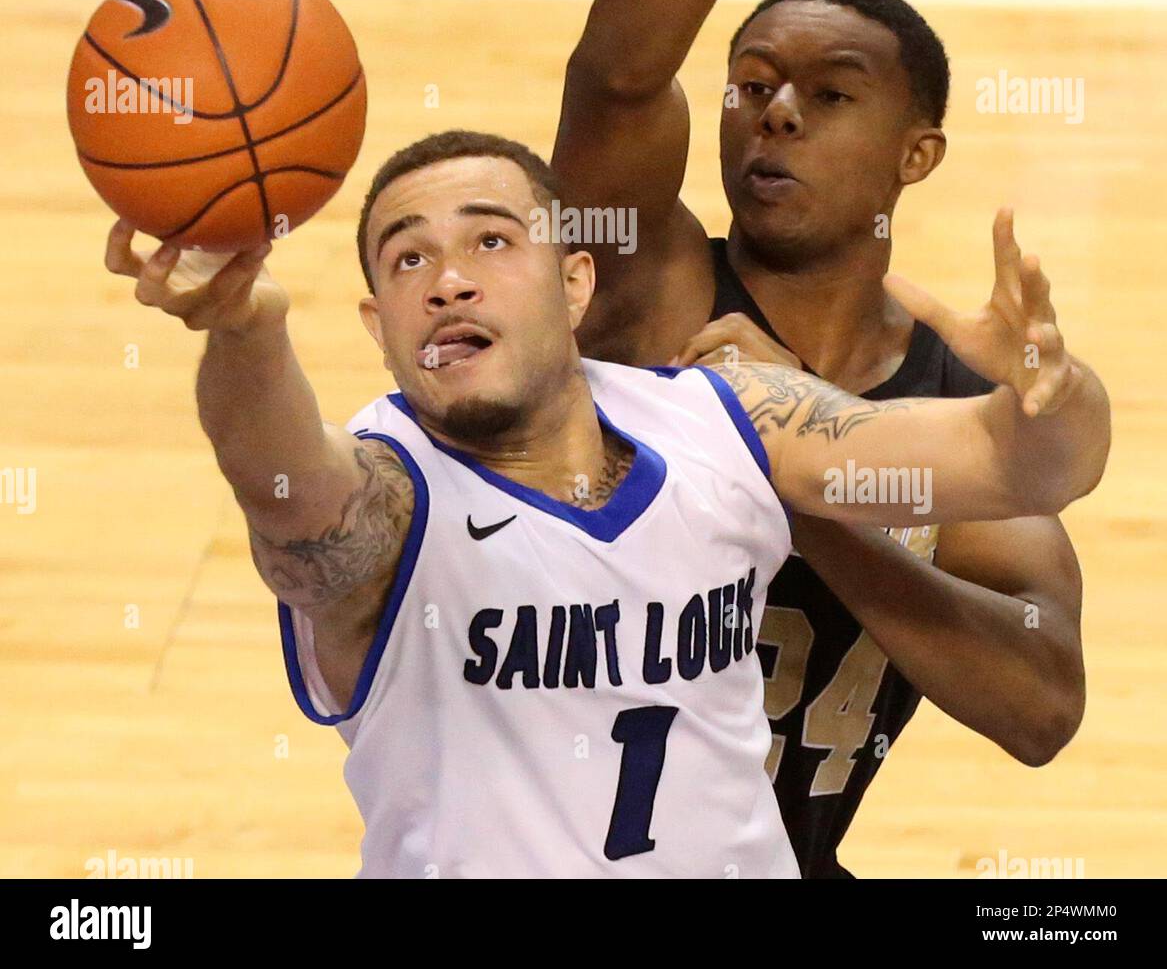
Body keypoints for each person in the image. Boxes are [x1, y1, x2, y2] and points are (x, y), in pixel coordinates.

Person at [106, 128, 1109, 878]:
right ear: (379, 321)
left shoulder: (731, 416)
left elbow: (1019, 463)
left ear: (575, 280)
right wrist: (243, 327)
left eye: (492, 243)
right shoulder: (390, 493)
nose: (450, 281)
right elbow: (277, 478)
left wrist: (1053, 396)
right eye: (408, 259)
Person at [551, 0, 1090, 876]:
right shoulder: (650, 292)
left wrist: (808, 486)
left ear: (918, 155)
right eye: (751, 84)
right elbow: (617, 77)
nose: (776, 109)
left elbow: (1043, 707)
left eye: (831, 91)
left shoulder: (954, 421)